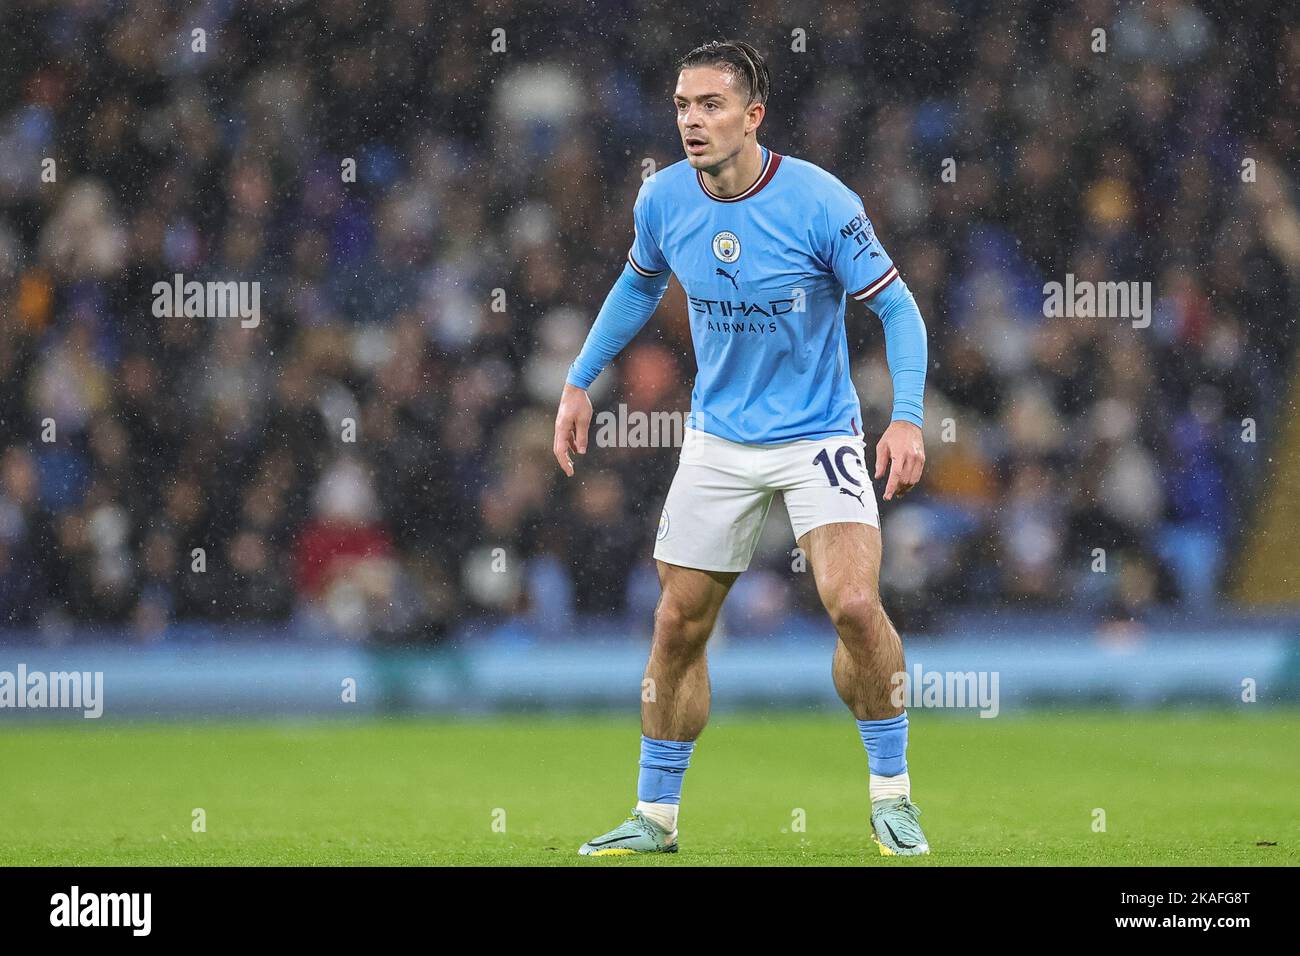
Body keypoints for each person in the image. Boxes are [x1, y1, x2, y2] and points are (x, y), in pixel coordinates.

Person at [553, 40, 930, 857]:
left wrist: (905, 417)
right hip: (719, 441)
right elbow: (639, 282)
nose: (693, 120)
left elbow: (899, 309)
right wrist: (580, 380)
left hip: (819, 434)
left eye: (711, 105)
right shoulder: (661, 199)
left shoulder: (821, 202)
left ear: (753, 115)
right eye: (684, 106)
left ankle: (893, 795)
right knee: (677, 625)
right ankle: (655, 819)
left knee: (855, 606)